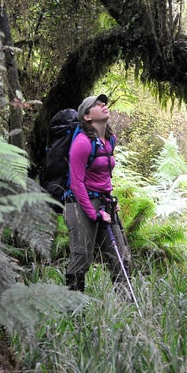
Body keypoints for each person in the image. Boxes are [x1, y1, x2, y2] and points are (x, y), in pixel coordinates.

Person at [63, 94, 132, 295]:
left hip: (103, 203)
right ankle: (73, 311)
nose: (103, 105)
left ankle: (124, 308)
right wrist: (94, 214)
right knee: (81, 257)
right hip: (79, 204)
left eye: (104, 103)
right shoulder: (82, 143)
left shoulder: (110, 140)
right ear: (86, 116)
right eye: (97, 104)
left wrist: (109, 198)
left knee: (121, 257)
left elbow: (103, 175)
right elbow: (76, 184)